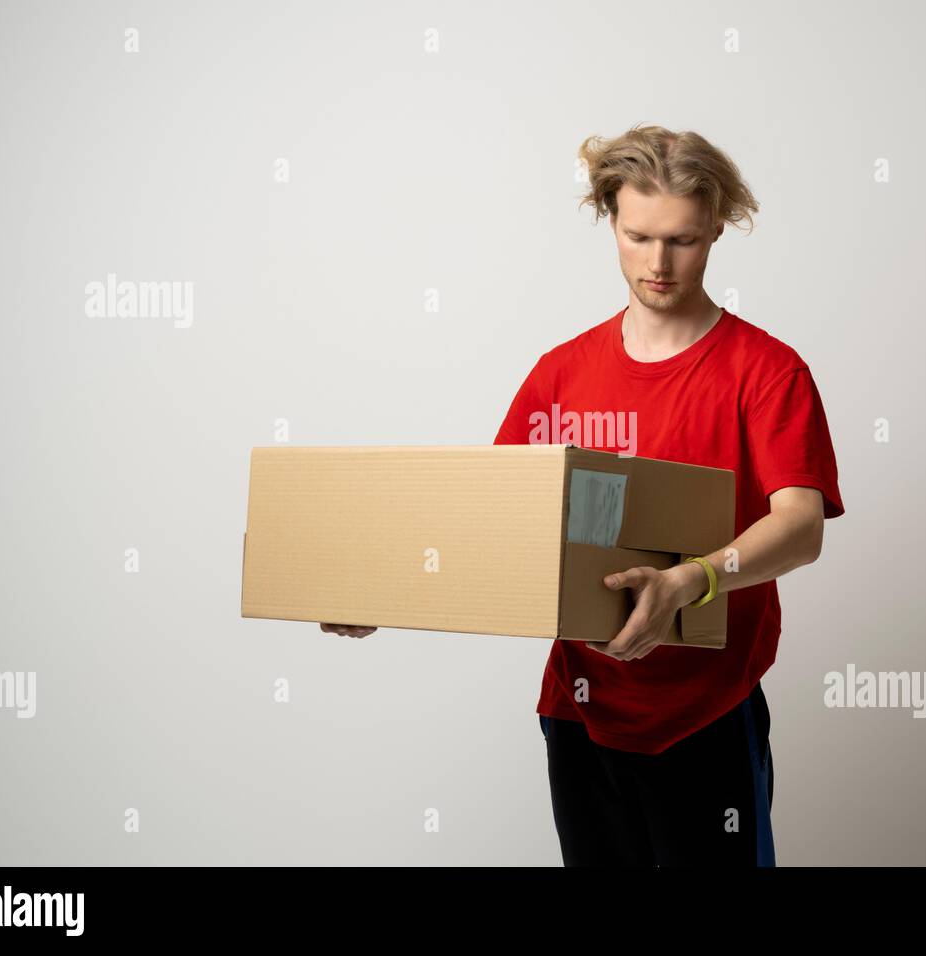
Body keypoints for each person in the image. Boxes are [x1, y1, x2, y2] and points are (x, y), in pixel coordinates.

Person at [323, 124, 845, 867]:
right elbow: (491, 523)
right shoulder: (561, 373)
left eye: (683, 240)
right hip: (580, 711)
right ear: (611, 220)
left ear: (717, 230)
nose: (659, 263)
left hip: (708, 714)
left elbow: (800, 526)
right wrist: (384, 593)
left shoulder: (767, 371)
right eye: (638, 237)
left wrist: (690, 580)